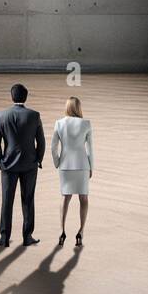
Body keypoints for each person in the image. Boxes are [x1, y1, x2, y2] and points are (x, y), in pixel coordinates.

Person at [0, 83, 46, 247]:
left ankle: (4, 238)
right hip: (30, 165)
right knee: (28, 200)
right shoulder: (34, 115)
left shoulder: (1, 116)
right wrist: (38, 159)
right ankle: (27, 236)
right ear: (26, 97)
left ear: (12, 96)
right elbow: (41, 141)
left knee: (7, 201)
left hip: (8, 165)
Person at [51, 95, 94, 247]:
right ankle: (81, 231)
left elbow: (53, 147)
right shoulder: (86, 124)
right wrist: (91, 167)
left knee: (65, 198)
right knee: (84, 199)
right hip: (82, 165)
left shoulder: (59, 123)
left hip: (65, 166)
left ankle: (62, 230)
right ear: (79, 108)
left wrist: (57, 163)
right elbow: (90, 150)